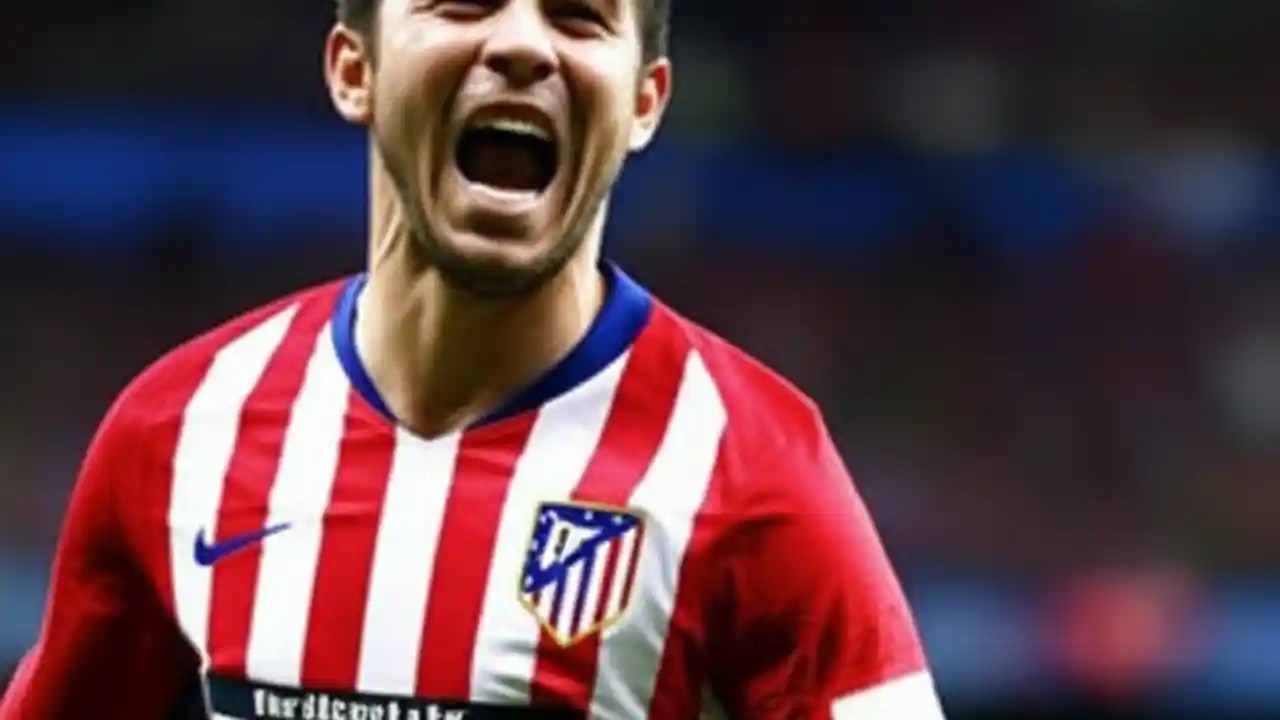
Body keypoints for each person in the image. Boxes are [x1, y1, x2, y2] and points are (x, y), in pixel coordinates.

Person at [0, 0, 946, 717]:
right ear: (352, 69)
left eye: (580, 16)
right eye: (462, 2)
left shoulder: (751, 468)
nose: (525, 44)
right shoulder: (179, 432)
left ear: (644, 103)